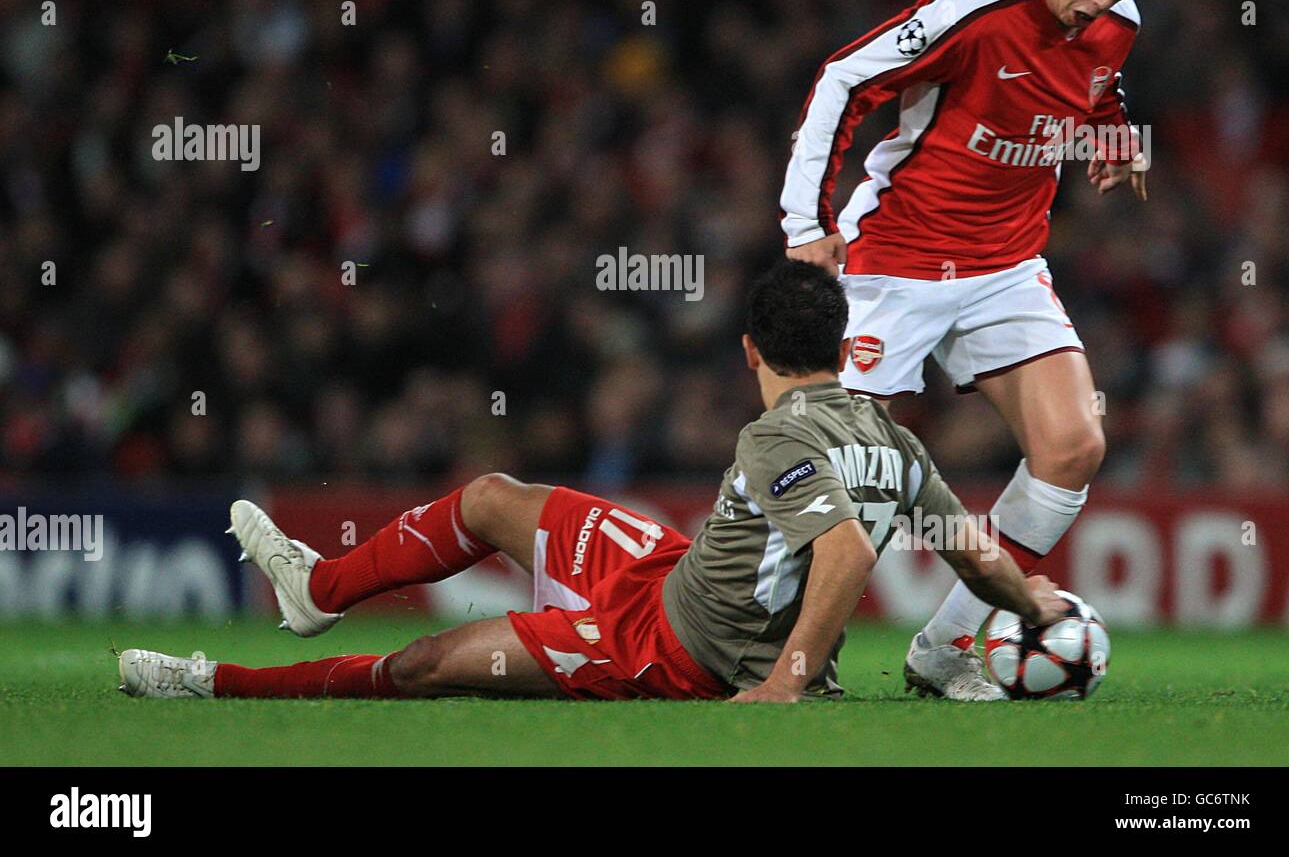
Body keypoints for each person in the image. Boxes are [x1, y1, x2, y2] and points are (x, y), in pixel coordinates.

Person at [117, 262, 1066, 703]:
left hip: (666, 651)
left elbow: (848, 551)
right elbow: (971, 550)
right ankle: (316, 589)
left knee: (425, 665)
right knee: (490, 497)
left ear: (752, 351)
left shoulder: (777, 435)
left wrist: (787, 679)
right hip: (670, 574)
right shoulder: (888, 435)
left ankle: (213, 683)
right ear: (837, 348)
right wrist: (1031, 600)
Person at [780, 0, 1175, 699]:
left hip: (1006, 265)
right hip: (897, 258)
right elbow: (846, 78)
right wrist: (805, 226)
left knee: (1074, 445)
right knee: (846, 469)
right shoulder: (974, 11)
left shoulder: (1119, 20)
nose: (1104, 0)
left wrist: (1111, 137)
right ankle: (783, 654)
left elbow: (1096, 91)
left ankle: (948, 644)